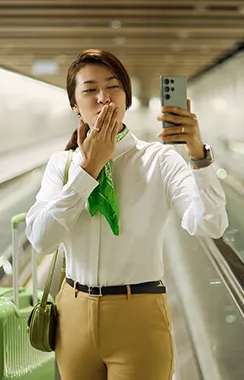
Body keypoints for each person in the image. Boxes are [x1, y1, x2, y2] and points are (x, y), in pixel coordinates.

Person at [24, 49, 229, 380]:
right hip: (73, 311)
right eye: (90, 90)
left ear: (127, 97)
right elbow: (42, 240)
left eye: (113, 86)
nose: (103, 98)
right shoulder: (62, 166)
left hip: (139, 312)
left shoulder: (159, 160)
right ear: (75, 105)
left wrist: (198, 155)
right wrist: (87, 171)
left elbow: (210, 225)